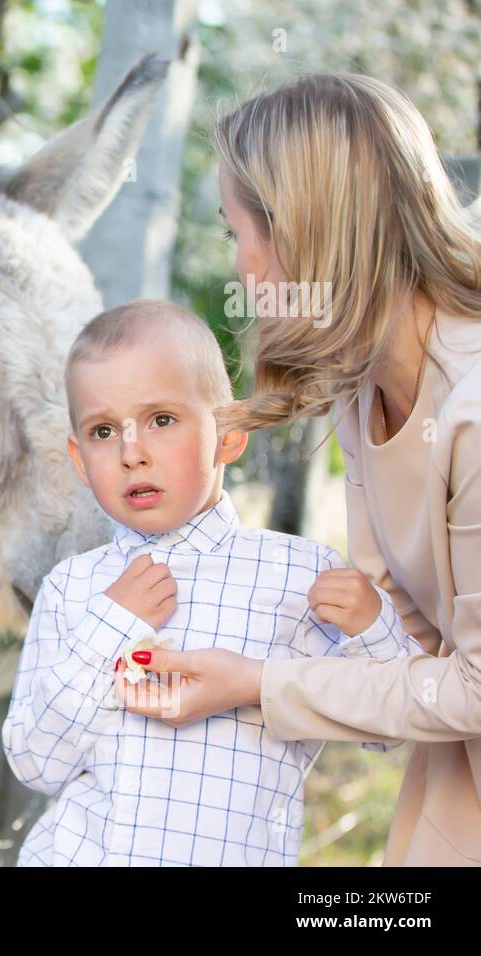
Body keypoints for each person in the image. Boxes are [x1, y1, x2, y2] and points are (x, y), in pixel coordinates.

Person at [123, 72, 481, 866]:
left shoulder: (474, 413)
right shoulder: (366, 389)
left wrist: (255, 681)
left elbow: (474, 689)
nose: (241, 270)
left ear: (306, 227)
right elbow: (412, 649)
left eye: (239, 233)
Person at [1, 299, 420, 865]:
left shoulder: (297, 576)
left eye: (162, 420)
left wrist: (375, 626)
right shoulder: (71, 589)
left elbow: (390, 728)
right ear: (80, 459)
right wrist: (110, 627)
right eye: (103, 430)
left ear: (227, 434)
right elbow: (35, 762)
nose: (132, 453)